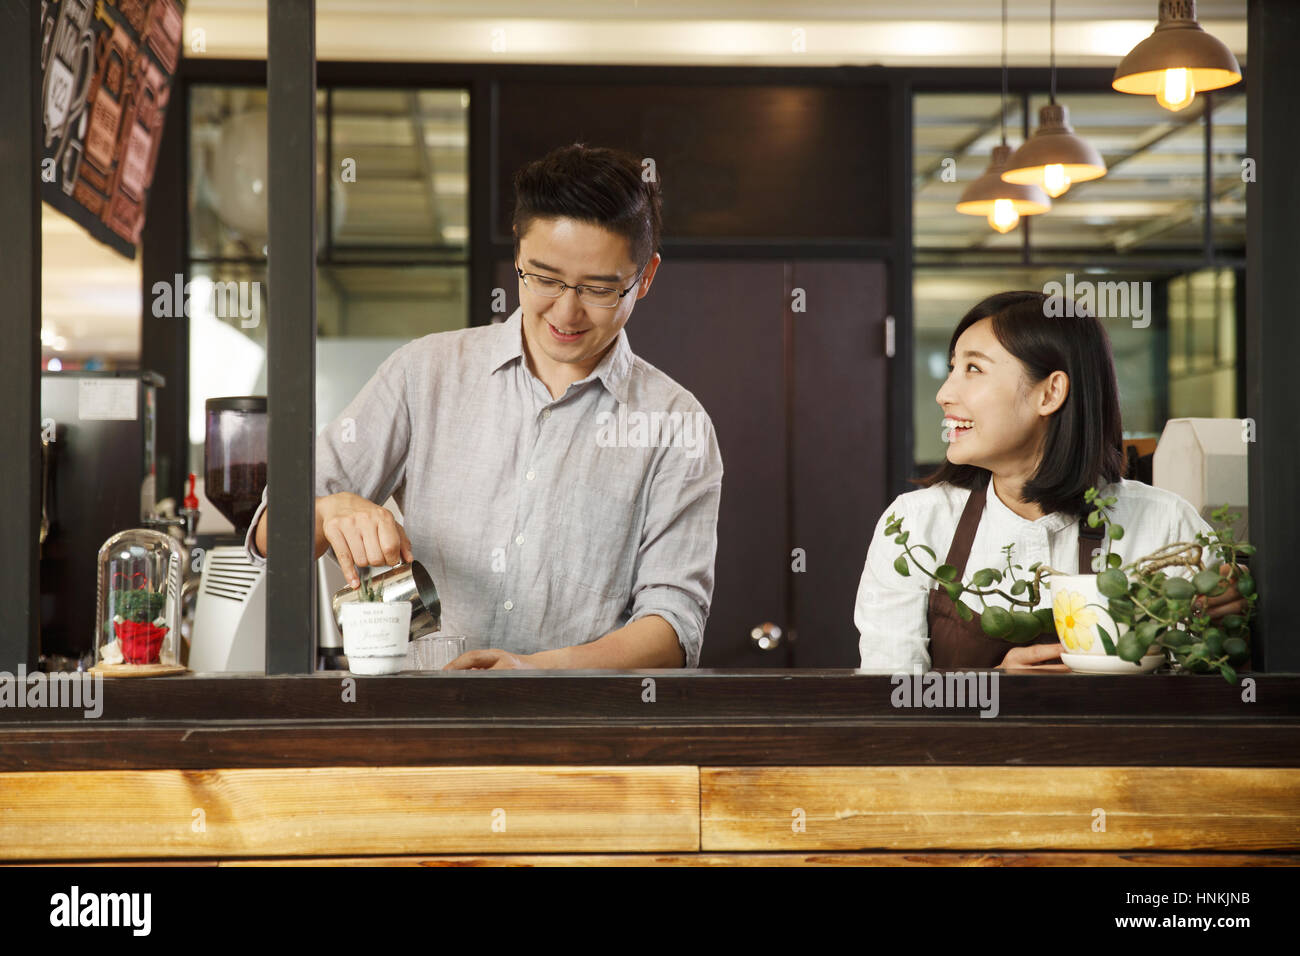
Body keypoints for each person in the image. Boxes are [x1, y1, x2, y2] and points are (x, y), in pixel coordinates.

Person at [246, 143, 723, 670]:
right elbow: (269, 535)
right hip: (429, 728)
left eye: (599, 289)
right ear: (518, 253)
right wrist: (328, 511)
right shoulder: (425, 373)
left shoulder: (677, 426)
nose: (566, 310)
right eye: (543, 278)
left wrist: (536, 671)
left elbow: (674, 627)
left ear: (646, 277)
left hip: (583, 733)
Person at [854, 290, 1247, 671]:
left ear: (1050, 393)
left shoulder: (1166, 525)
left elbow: (1204, 698)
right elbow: (891, 706)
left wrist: (1218, 613)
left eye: (973, 368)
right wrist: (997, 688)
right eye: (952, 367)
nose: (944, 394)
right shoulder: (915, 525)